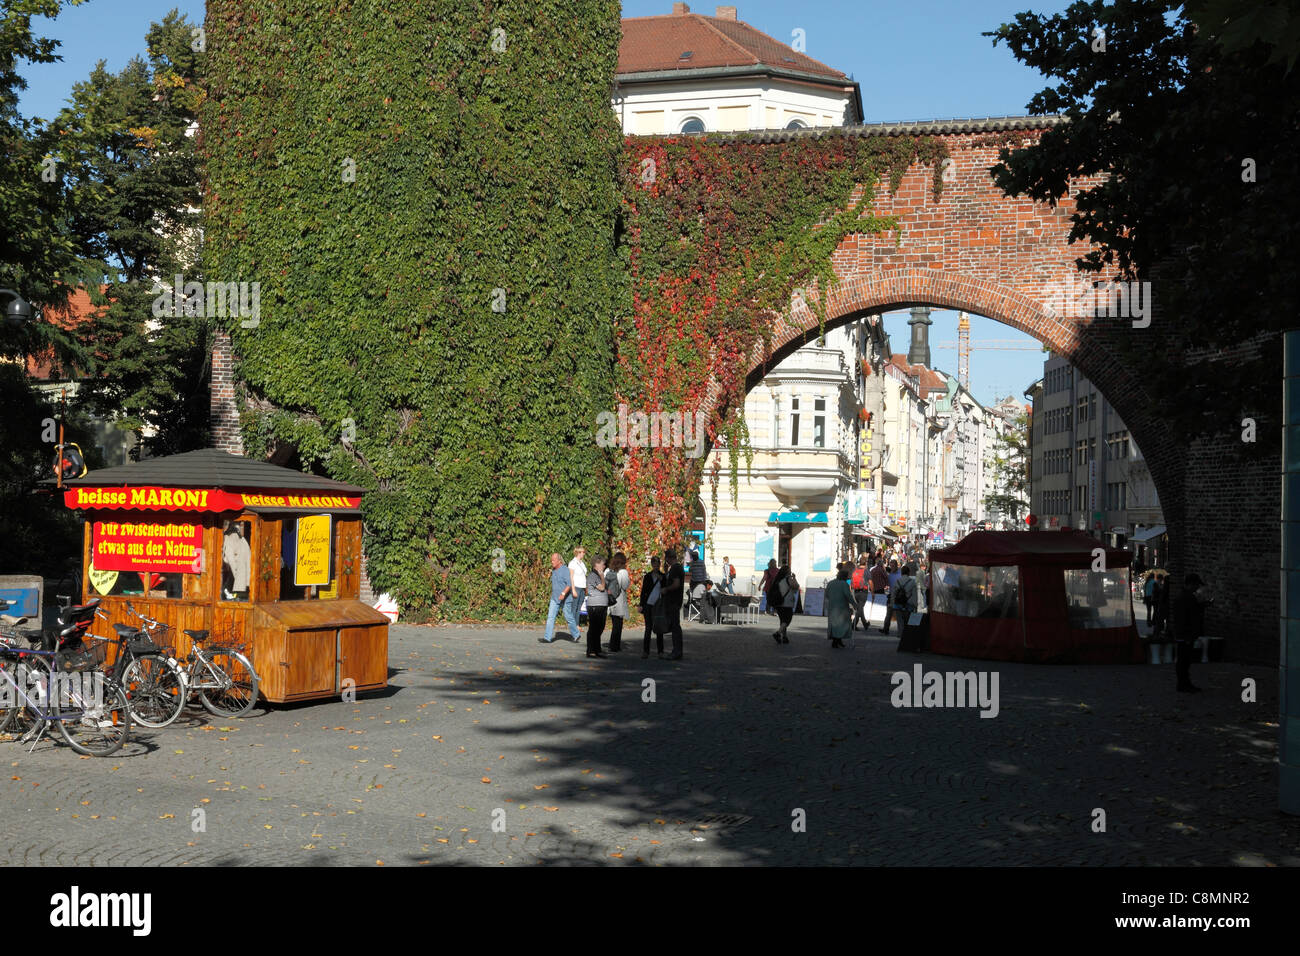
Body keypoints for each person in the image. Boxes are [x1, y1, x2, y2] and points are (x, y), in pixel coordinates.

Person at [1172, 572, 1209, 692]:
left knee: (1184, 660)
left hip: (1183, 633)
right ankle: (1183, 684)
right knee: (1184, 660)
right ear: (1192, 584)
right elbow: (1187, 617)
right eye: (1197, 584)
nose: (1198, 587)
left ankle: (1184, 683)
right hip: (1185, 634)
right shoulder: (1187, 597)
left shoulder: (1184, 596)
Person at [540, 553, 578, 644]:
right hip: (554, 598)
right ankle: (547, 638)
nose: (551, 562)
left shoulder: (565, 570)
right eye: (551, 560)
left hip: (565, 598)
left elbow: (569, 584)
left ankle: (576, 634)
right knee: (550, 617)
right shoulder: (554, 570)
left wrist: (563, 593)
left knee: (568, 617)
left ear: (559, 561)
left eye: (553, 560)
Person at [639, 556, 667, 659]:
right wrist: (641, 604)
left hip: (658, 605)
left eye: (657, 564)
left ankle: (660, 651)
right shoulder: (647, 576)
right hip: (649, 604)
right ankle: (646, 651)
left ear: (659, 565)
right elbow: (643, 592)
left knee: (659, 628)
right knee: (648, 628)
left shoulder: (663, 576)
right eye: (654, 564)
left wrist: (662, 580)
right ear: (652, 565)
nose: (656, 566)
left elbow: (665, 589)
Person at [584, 555, 610, 658]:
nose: (604, 566)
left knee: (600, 627)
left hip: (601, 604)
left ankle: (597, 649)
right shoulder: (593, 576)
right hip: (595, 605)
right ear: (596, 564)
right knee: (594, 628)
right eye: (603, 564)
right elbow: (602, 587)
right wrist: (602, 576)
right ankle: (591, 650)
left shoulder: (597, 576)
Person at [662, 548, 685, 660]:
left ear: (668, 558)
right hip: (675, 600)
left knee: (675, 626)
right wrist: (666, 572)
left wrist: (666, 589)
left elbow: (676, 584)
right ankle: (677, 650)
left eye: (666, 558)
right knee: (675, 625)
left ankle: (677, 651)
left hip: (673, 601)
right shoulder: (676, 567)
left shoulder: (676, 568)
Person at [767, 563, 799, 644]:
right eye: (790, 571)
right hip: (787, 603)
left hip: (779, 603)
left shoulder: (778, 579)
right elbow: (796, 586)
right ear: (788, 572)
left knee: (782, 621)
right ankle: (777, 633)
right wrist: (794, 578)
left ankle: (784, 637)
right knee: (787, 620)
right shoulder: (788, 579)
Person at [881, 563, 914, 636]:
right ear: (909, 573)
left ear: (902, 573)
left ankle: (900, 633)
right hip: (908, 604)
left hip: (898, 603)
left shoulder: (898, 581)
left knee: (900, 620)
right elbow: (914, 594)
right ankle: (906, 634)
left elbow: (894, 593)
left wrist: (892, 603)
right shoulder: (912, 582)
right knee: (907, 620)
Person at [825, 564, 854, 649]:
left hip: (832, 607)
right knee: (841, 624)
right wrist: (854, 605)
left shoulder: (830, 583)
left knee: (834, 624)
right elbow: (849, 596)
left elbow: (827, 594)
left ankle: (838, 640)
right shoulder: (844, 584)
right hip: (842, 608)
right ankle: (836, 641)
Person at [607, 552, 630, 652]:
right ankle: (615, 646)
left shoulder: (608, 570)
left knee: (614, 624)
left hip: (610, 600)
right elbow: (625, 586)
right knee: (618, 625)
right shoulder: (623, 572)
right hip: (619, 601)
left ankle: (612, 645)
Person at [567, 547, 588, 631]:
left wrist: (585, 587)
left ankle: (577, 624)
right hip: (576, 587)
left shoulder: (582, 563)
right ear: (578, 553)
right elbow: (571, 577)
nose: (584, 553)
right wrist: (573, 589)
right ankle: (573, 625)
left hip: (582, 587)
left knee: (579, 607)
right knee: (574, 606)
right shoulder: (572, 563)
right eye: (583, 552)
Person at [850, 555, 871, 631]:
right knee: (860, 609)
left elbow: (851, 581)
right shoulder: (866, 571)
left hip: (856, 592)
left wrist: (850, 590)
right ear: (865, 563)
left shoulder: (854, 570)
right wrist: (873, 591)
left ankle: (864, 624)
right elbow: (870, 582)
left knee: (860, 608)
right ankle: (854, 625)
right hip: (863, 592)